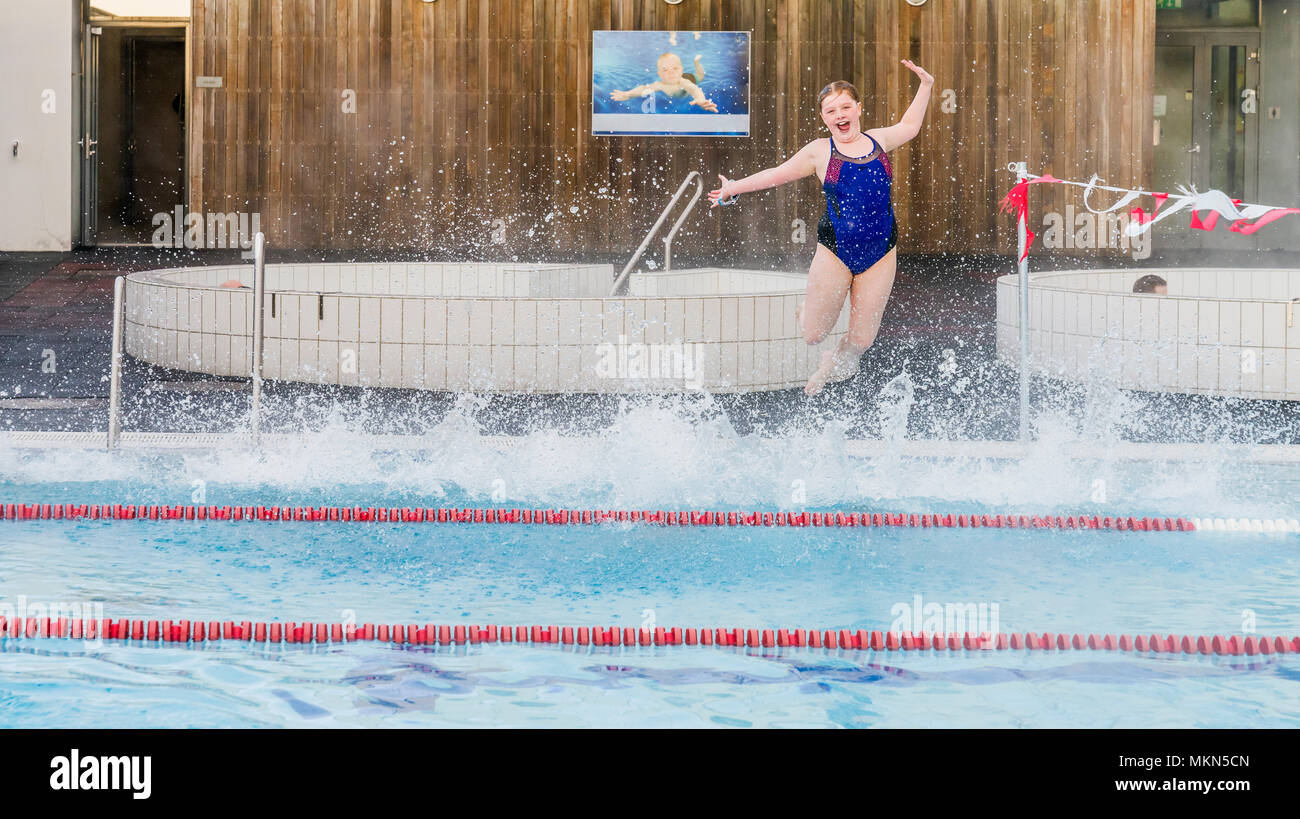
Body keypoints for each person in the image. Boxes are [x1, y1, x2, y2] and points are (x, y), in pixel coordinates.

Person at [708, 61, 933, 395]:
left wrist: (926, 84)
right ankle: (807, 311)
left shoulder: (879, 141)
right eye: (831, 110)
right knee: (812, 334)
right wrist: (733, 188)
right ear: (824, 117)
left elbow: (910, 125)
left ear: (858, 109)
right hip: (837, 250)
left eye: (845, 106)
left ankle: (829, 364)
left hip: (881, 251)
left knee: (861, 339)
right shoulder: (819, 152)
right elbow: (776, 173)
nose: (839, 114)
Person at [610, 53, 717, 113]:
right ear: (659, 74)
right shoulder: (660, 85)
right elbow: (644, 88)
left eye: (675, 68)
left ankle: (696, 62)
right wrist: (629, 94)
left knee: (700, 76)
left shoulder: (683, 82)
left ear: (681, 70)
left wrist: (700, 99)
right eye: (665, 69)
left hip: (691, 78)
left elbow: (694, 89)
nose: (671, 72)